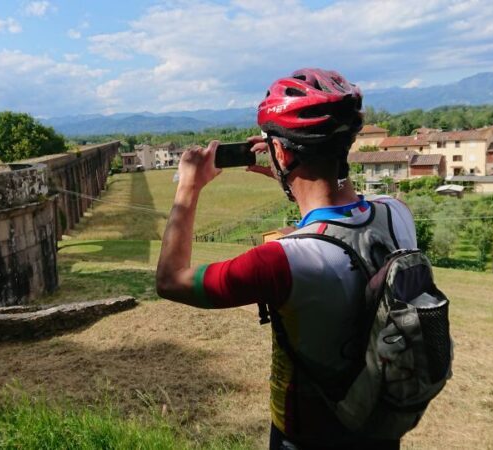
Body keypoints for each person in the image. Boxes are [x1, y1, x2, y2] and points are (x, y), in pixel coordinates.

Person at [155, 68, 418, 449]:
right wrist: (292, 177)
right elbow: (346, 208)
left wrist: (188, 189)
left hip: (306, 437)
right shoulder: (398, 214)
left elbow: (170, 280)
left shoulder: (282, 261)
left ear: (278, 152)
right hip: (377, 424)